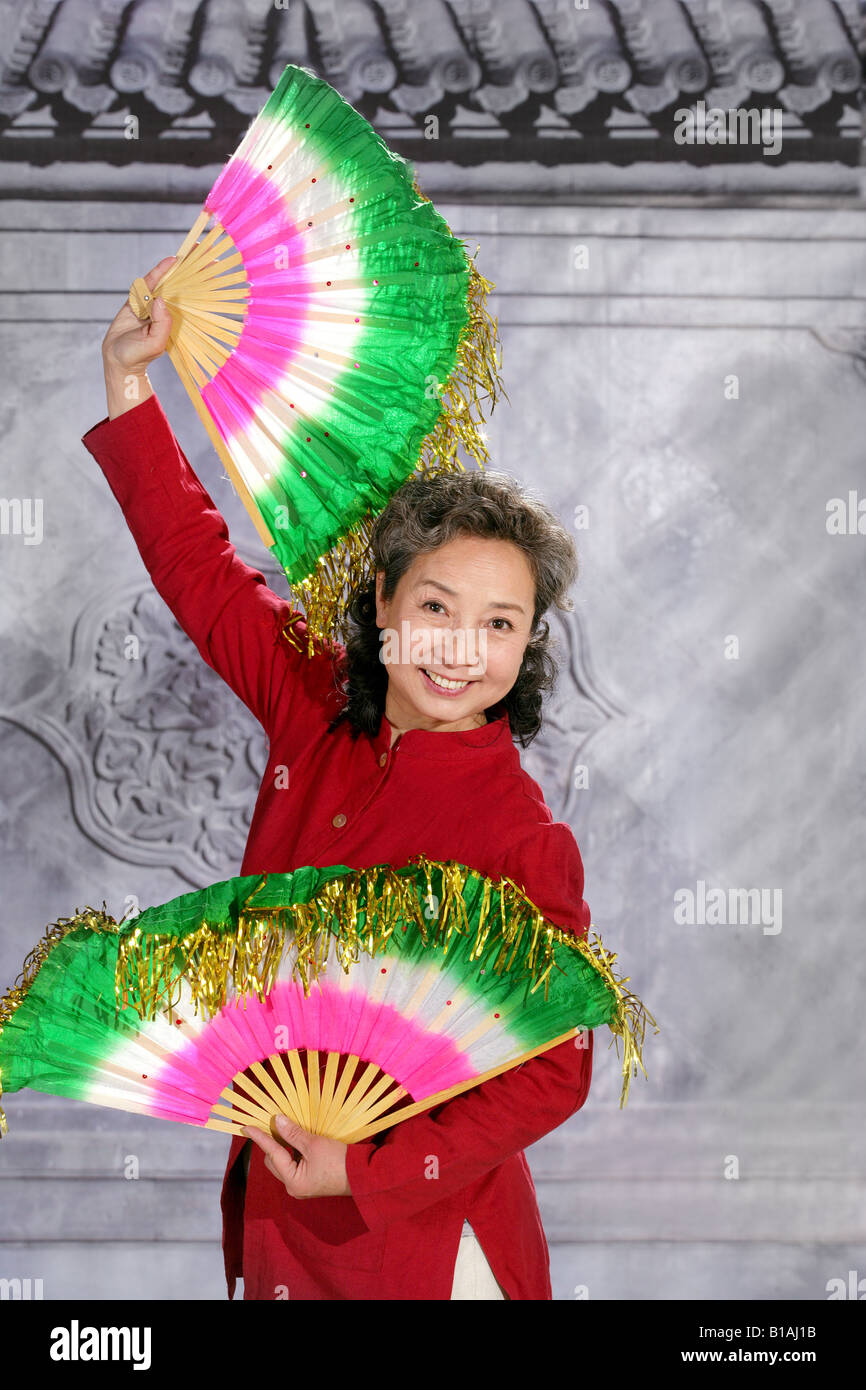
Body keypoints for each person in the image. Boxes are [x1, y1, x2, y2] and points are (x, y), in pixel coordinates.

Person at [81, 257, 594, 1301]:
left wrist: (370, 1168)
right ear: (380, 608)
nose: (460, 649)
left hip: (425, 1241)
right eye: (436, 608)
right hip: (276, 1212)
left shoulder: (520, 835)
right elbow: (196, 563)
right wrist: (129, 383)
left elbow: (555, 1066)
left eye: (499, 624)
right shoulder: (309, 704)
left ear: (527, 642)